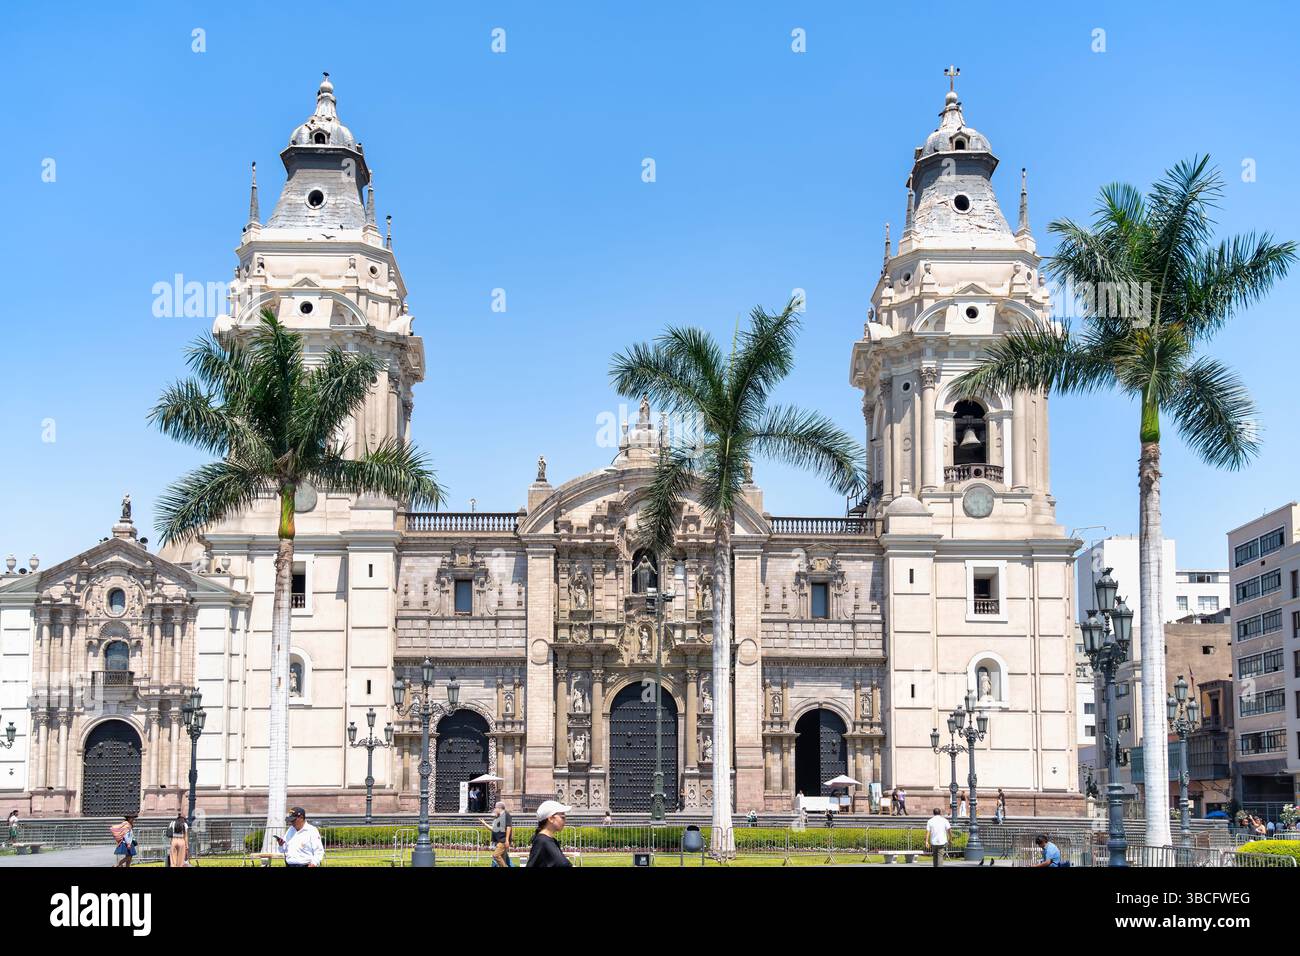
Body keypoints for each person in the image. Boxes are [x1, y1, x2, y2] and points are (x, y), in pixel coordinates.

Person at [526, 800, 572, 868]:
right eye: (562, 817)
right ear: (550, 819)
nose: (565, 820)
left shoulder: (551, 840)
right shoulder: (542, 841)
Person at [481, 801, 514, 868]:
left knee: (496, 855)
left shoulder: (506, 814)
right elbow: (493, 829)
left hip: (503, 840)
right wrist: (485, 824)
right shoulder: (499, 817)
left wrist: (507, 840)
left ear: (499, 808)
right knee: (504, 858)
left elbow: (508, 827)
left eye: (495, 808)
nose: (495, 809)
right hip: (499, 841)